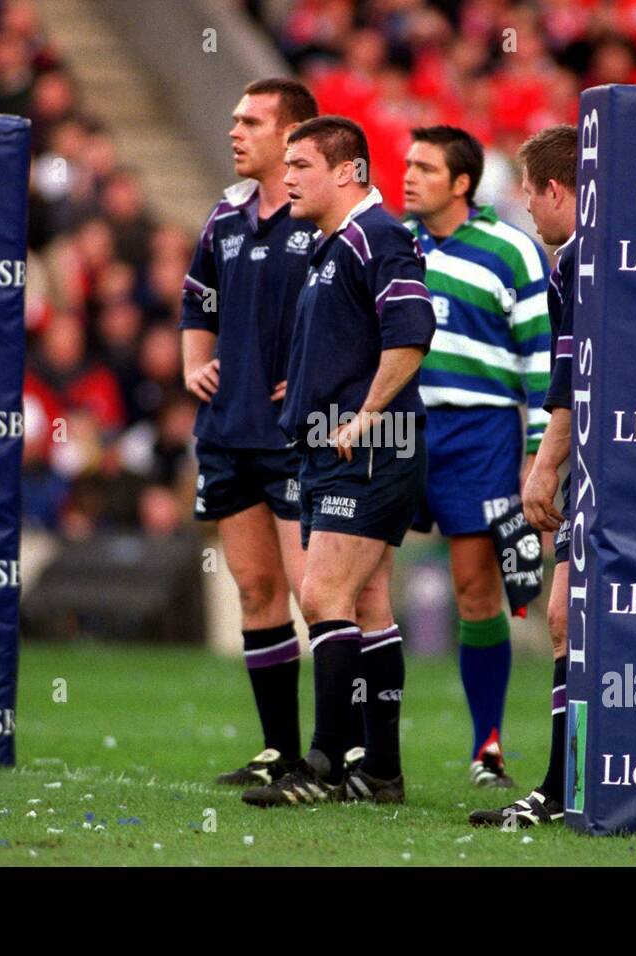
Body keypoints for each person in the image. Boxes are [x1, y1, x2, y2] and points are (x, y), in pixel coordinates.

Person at [242, 115, 435, 806]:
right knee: (368, 602)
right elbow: (355, 339)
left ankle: (323, 762)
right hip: (336, 446)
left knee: (323, 596)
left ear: (347, 172)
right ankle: (379, 770)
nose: (286, 176)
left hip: (370, 448)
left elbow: (411, 333)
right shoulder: (332, 246)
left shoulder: (379, 236)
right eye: (286, 164)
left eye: (300, 164)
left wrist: (367, 413)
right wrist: (313, 383)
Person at [179, 78, 319, 786]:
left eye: (251, 122)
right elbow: (196, 295)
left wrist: (323, 373)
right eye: (234, 120)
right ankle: (279, 751)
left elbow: (363, 311)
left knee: (316, 594)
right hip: (229, 430)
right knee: (257, 587)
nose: (235, 132)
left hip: (297, 436)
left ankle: (338, 756)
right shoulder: (225, 215)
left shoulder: (322, 214)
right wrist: (192, 362)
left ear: (292, 135)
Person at [401, 125, 550, 788]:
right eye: (406, 165)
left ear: (461, 183)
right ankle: (358, 752)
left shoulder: (513, 252)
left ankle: (486, 744)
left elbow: (542, 361)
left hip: (481, 434)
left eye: (424, 168)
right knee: (361, 582)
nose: (407, 177)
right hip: (397, 428)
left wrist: (540, 451)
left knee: (475, 589)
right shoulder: (391, 244)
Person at [468, 124, 578, 828]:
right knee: (566, 617)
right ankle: (564, 786)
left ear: (558, 190)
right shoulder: (573, 264)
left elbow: (568, 381)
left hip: (623, 471)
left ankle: (565, 789)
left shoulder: (580, 265)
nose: (526, 208)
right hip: (602, 468)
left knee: (570, 620)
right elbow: (571, 379)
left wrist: (543, 469)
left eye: (531, 193)